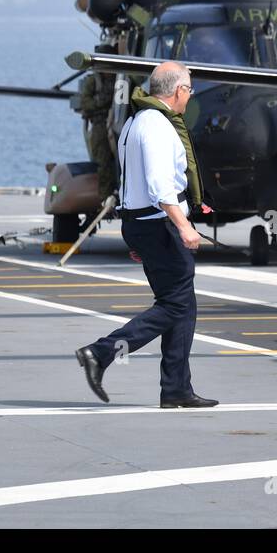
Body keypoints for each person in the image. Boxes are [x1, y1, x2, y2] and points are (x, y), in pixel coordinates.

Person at [75, 61, 216, 408]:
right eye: (190, 89)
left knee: (182, 305)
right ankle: (101, 352)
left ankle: (176, 388)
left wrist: (138, 235)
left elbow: (130, 183)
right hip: (159, 223)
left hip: (143, 223)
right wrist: (183, 226)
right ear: (179, 90)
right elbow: (158, 184)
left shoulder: (136, 122)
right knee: (176, 304)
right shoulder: (156, 126)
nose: (190, 96)